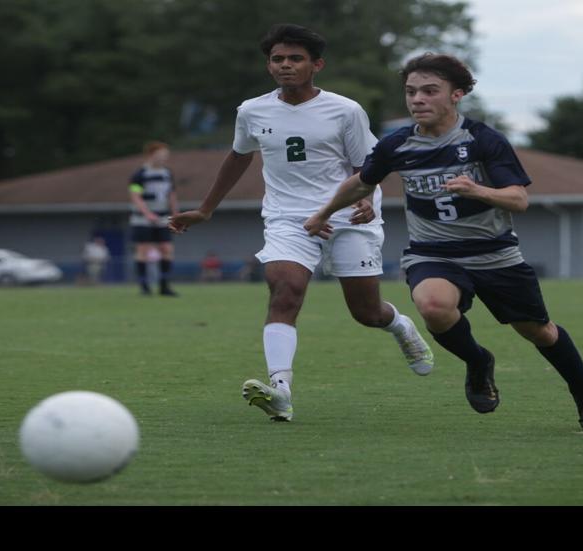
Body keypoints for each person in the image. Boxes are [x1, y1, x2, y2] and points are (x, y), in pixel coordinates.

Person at [307, 52, 583, 432]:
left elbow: (519, 199)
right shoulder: (397, 144)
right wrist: (323, 213)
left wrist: (478, 190)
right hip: (433, 253)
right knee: (433, 306)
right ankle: (478, 362)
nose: (418, 99)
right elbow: (362, 182)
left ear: (457, 95)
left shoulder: (483, 140)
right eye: (411, 91)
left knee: (539, 332)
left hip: (495, 254)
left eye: (430, 91)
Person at [169, 23, 434, 423]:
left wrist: (366, 202)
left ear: (317, 65)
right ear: (268, 65)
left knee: (367, 313)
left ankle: (400, 327)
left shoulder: (345, 110)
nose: (285, 65)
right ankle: (280, 390)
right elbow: (239, 157)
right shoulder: (252, 111)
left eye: (295, 59)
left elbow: (367, 166)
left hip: (347, 216)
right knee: (285, 290)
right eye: (277, 59)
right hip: (288, 219)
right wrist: (205, 209)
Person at [129, 141, 180, 295]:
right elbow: (135, 196)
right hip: (142, 219)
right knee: (143, 250)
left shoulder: (167, 173)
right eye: (160, 155)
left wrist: (176, 214)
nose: (164, 158)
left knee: (167, 249)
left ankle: (164, 286)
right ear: (151, 155)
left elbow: (171, 194)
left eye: (166, 155)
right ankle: (144, 286)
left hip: (163, 217)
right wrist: (147, 213)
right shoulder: (139, 174)